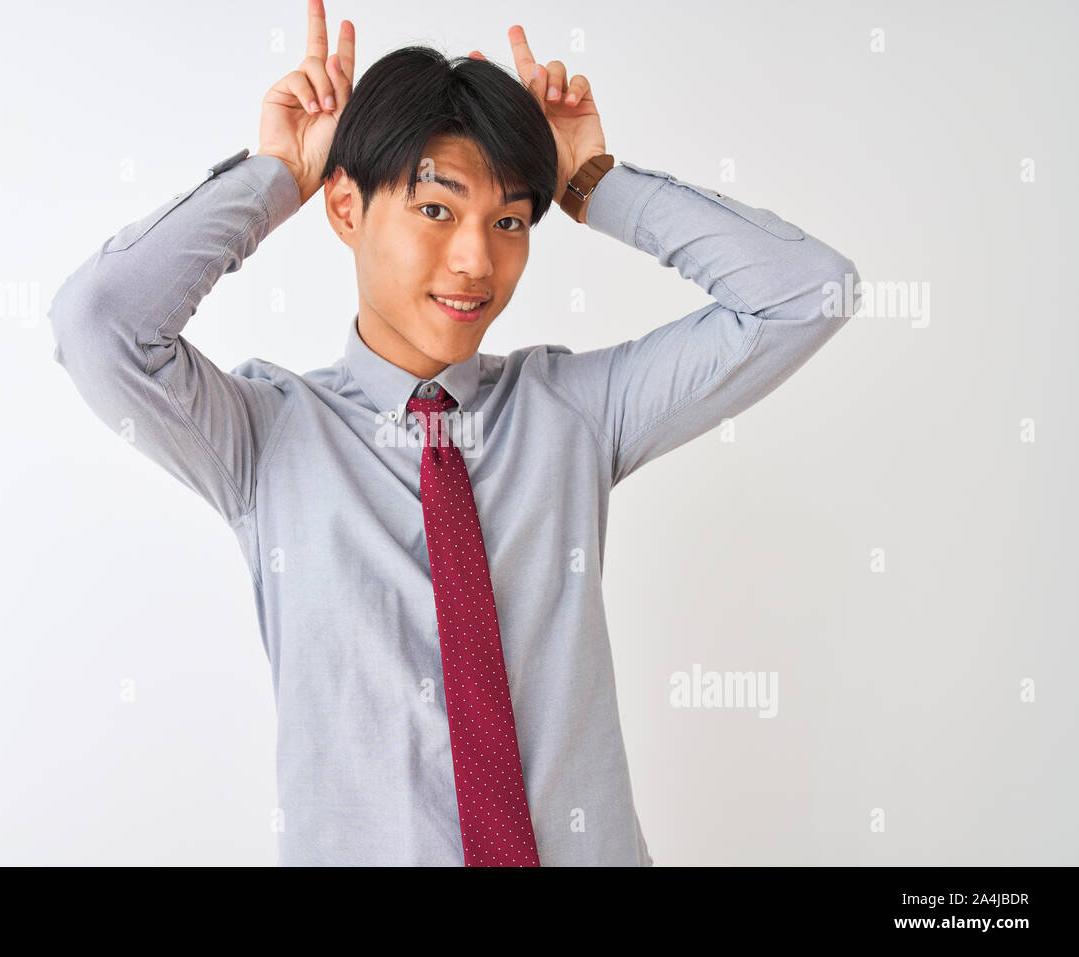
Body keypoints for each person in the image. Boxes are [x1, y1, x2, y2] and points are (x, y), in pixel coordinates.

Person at [48, 1, 861, 866]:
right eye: (437, 210)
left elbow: (810, 291)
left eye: (510, 220)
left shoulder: (573, 412)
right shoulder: (265, 438)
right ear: (346, 210)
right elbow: (98, 324)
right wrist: (277, 174)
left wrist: (590, 181)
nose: (478, 258)